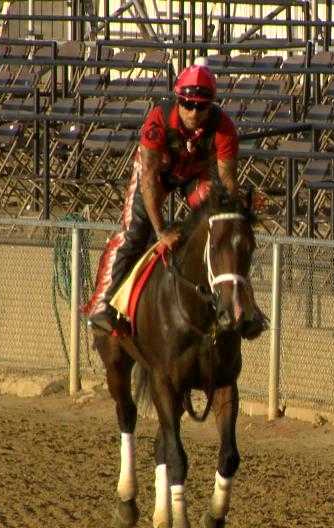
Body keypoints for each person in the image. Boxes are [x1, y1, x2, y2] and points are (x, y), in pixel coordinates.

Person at [84, 63, 240, 334]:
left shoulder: (224, 127)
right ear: (178, 100)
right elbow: (148, 178)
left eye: (201, 106)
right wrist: (161, 232)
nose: (193, 112)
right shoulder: (157, 121)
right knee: (134, 234)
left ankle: (234, 303)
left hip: (194, 173)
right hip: (155, 175)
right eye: (188, 104)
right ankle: (103, 305)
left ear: (211, 106)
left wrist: (232, 212)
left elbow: (227, 180)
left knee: (217, 227)